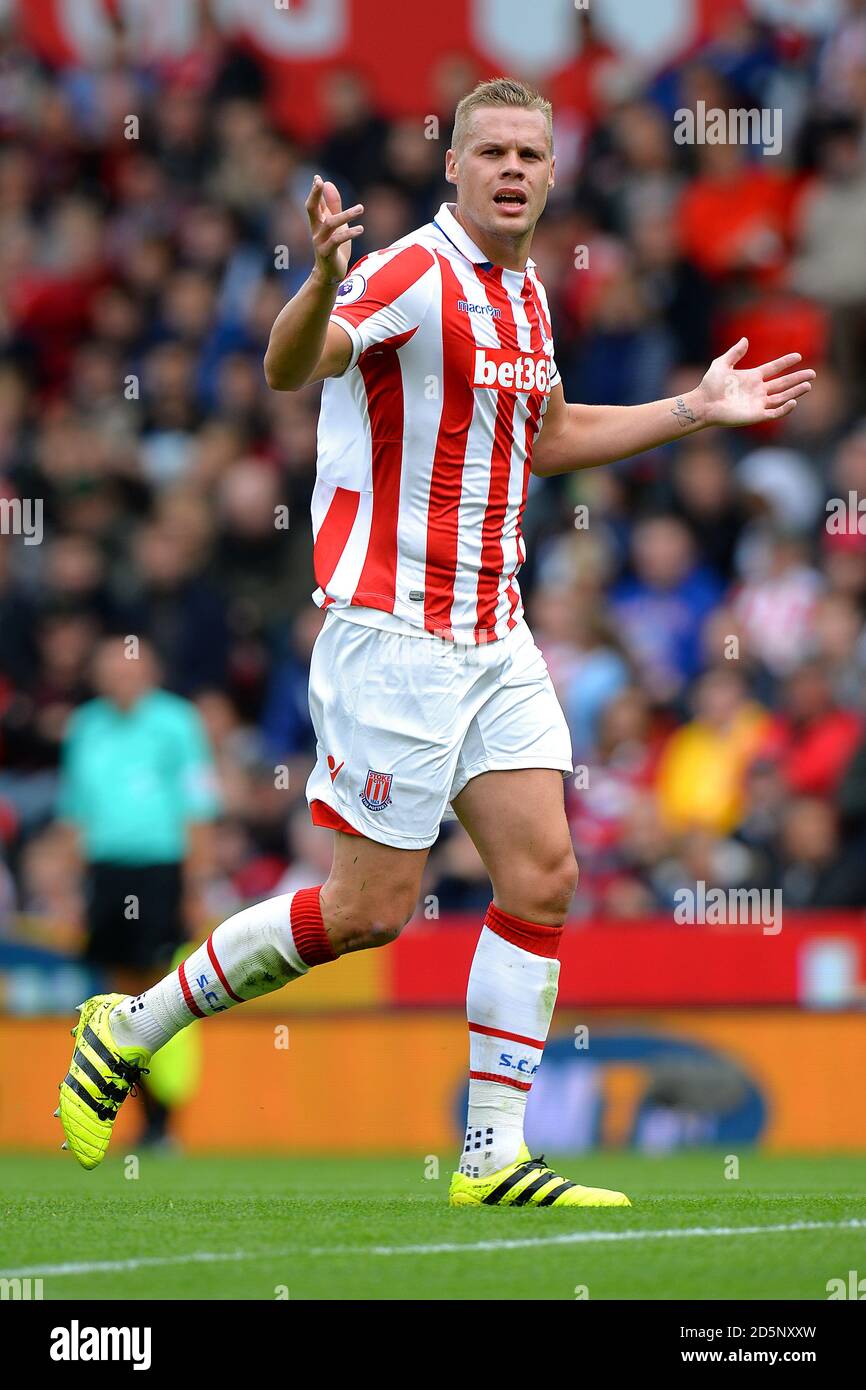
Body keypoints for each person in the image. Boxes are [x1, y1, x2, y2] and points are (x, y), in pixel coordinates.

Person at [57, 78, 814, 1207]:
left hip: (492, 631)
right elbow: (287, 366)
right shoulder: (407, 272)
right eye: (492, 151)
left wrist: (691, 410)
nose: (513, 169)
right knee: (367, 910)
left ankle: (490, 1153)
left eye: (531, 154)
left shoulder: (524, 295)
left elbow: (547, 435)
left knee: (543, 875)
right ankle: (135, 1019)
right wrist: (315, 282)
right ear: (452, 165)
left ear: (552, 176)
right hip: (394, 636)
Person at [56, 636, 218, 1147]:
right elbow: (75, 815)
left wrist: (194, 886)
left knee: (156, 992)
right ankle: (141, 1118)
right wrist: (68, 889)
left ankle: (163, 1117)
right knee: (114, 996)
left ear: (150, 674)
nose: (121, 680)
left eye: (130, 671)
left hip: (160, 872)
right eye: (112, 672)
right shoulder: (85, 727)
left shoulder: (176, 723)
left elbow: (198, 810)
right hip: (107, 875)